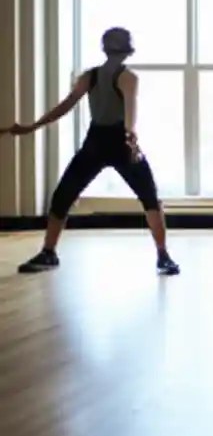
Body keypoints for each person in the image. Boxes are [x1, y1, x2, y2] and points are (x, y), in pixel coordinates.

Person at [1, 28, 180, 275]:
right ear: (127, 50)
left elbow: (127, 113)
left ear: (106, 49)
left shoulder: (96, 76)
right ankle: (49, 253)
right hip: (105, 141)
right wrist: (33, 126)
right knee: (69, 195)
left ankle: (163, 255)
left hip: (110, 140)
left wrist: (131, 136)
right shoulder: (118, 77)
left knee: (145, 196)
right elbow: (70, 105)